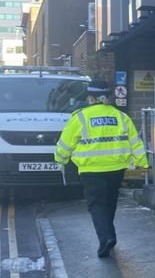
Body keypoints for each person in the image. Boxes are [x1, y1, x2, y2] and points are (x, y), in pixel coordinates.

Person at [54, 81, 149, 257]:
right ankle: (108, 236)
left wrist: (60, 159)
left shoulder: (80, 117)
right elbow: (135, 142)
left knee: (96, 205)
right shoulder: (121, 116)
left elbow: (65, 144)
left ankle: (106, 238)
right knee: (109, 202)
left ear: (90, 97)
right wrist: (143, 163)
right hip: (116, 169)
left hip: (91, 170)